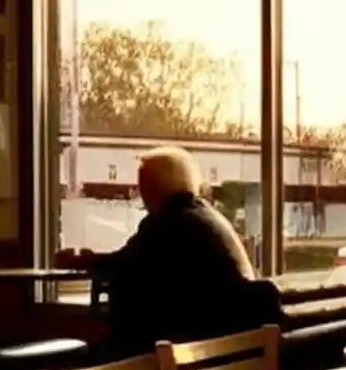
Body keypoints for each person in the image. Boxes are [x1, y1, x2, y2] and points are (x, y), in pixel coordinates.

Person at [56, 146, 260, 358]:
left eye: (143, 184)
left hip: (199, 343)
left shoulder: (169, 221)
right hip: (229, 337)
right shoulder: (206, 215)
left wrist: (82, 261)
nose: (140, 193)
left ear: (156, 186)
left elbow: (126, 264)